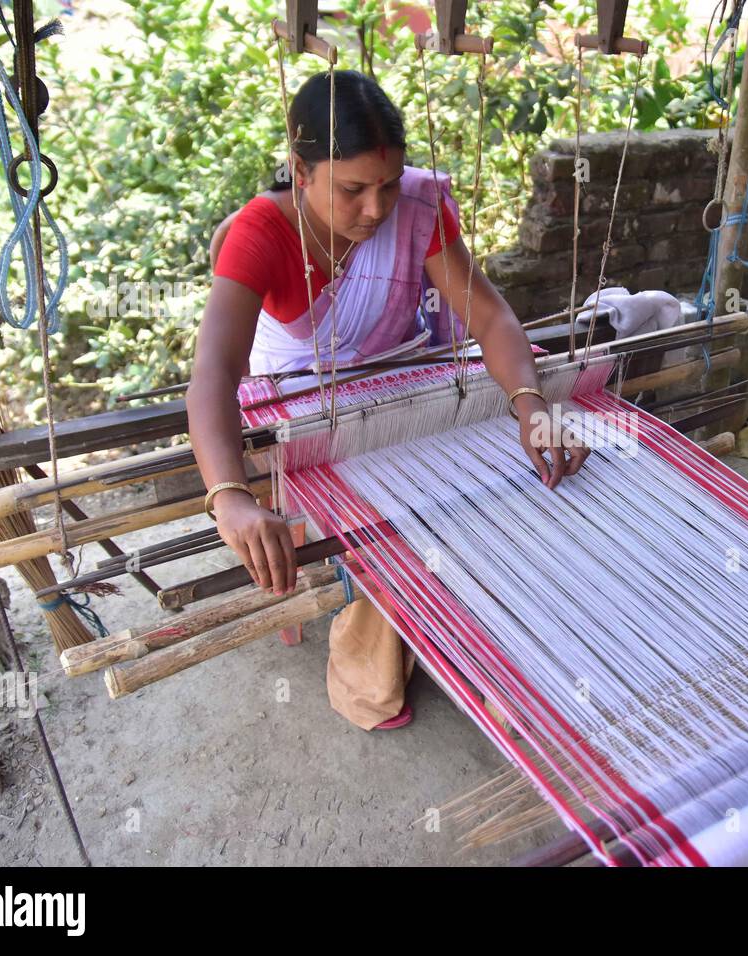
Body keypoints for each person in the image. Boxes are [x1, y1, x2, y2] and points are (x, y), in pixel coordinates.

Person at [187, 70, 588, 731]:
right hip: (307, 412)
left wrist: (533, 407)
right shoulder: (260, 233)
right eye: (352, 190)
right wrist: (229, 494)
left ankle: (497, 657)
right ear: (301, 170)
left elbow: (488, 318)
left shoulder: (418, 211)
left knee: (502, 493)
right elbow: (214, 371)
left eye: (389, 185)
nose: (377, 209)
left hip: (406, 386)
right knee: (403, 522)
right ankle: (371, 673)